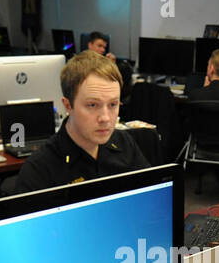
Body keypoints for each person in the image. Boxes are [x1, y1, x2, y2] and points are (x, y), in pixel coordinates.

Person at [11, 51, 150, 193]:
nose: (105, 118)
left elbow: (150, 198)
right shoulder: (39, 170)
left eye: (113, 105)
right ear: (67, 105)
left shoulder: (124, 143)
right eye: (92, 105)